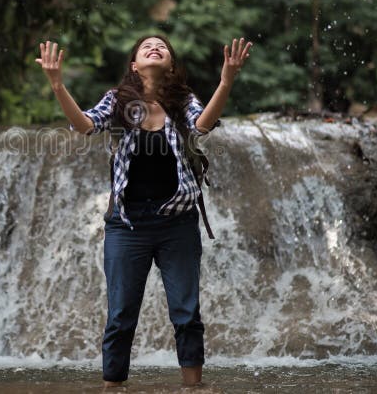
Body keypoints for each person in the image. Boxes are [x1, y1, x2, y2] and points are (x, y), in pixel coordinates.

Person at [35, 34, 252, 387]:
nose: (155, 47)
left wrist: (226, 80)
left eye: (162, 46)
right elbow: (85, 126)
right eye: (146, 46)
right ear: (134, 64)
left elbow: (202, 126)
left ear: (170, 65)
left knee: (186, 314)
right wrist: (57, 84)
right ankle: (112, 387)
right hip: (127, 224)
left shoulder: (183, 103)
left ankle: (193, 387)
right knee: (121, 317)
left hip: (177, 224)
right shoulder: (118, 102)